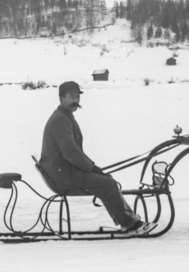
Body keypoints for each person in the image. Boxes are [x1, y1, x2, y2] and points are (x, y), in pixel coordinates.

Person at [38, 81, 146, 234]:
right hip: (63, 176)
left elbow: (74, 152)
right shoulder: (61, 119)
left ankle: (129, 221)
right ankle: (130, 224)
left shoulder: (64, 116)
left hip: (65, 172)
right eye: (71, 97)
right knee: (108, 184)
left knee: (107, 181)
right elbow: (71, 152)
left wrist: (93, 169)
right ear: (61, 99)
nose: (76, 100)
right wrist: (92, 168)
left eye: (77, 96)